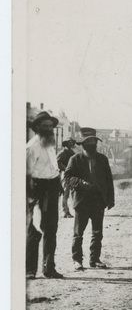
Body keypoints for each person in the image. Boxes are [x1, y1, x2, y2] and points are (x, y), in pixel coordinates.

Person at [62, 127, 116, 271]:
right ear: (82, 144)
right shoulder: (75, 159)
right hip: (82, 201)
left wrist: (110, 199)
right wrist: (80, 183)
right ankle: (77, 260)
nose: (92, 144)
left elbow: (108, 180)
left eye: (94, 141)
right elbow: (68, 177)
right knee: (78, 233)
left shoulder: (102, 159)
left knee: (97, 232)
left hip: (98, 201)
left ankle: (94, 259)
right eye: (88, 142)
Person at [26, 110, 64, 279]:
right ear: (37, 128)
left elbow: (52, 169)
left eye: (51, 126)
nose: (49, 129)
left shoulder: (49, 144)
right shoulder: (31, 147)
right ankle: (29, 270)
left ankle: (49, 268)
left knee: (51, 228)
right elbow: (26, 174)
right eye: (45, 126)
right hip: (36, 189)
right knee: (33, 230)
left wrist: (58, 184)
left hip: (52, 187)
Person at [57, 137, 78, 218]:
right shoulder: (63, 152)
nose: (70, 144)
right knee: (65, 193)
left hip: (72, 174)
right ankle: (64, 211)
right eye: (69, 142)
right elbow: (57, 162)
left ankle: (75, 210)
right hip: (65, 174)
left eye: (71, 142)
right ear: (65, 143)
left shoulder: (72, 152)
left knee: (74, 192)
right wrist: (65, 169)